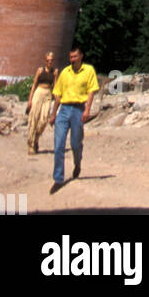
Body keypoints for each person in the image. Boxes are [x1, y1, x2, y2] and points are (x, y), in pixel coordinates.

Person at [48, 44, 99, 193]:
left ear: (81, 56)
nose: (72, 59)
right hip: (64, 110)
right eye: (70, 57)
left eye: (75, 56)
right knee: (58, 145)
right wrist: (53, 115)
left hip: (78, 110)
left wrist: (87, 110)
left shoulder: (88, 71)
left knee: (75, 144)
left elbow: (91, 91)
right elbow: (57, 93)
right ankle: (58, 178)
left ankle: (77, 163)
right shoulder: (65, 72)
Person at [26, 51, 58, 154]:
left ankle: (36, 139)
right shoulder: (40, 70)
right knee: (34, 117)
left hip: (48, 94)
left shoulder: (54, 72)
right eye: (48, 60)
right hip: (39, 92)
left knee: (44, 119)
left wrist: (57, 98)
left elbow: (55, 86)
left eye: (51, 60)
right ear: (45, 60)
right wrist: (30, 100)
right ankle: (30, 144)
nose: (50, 62)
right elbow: (34, 85)